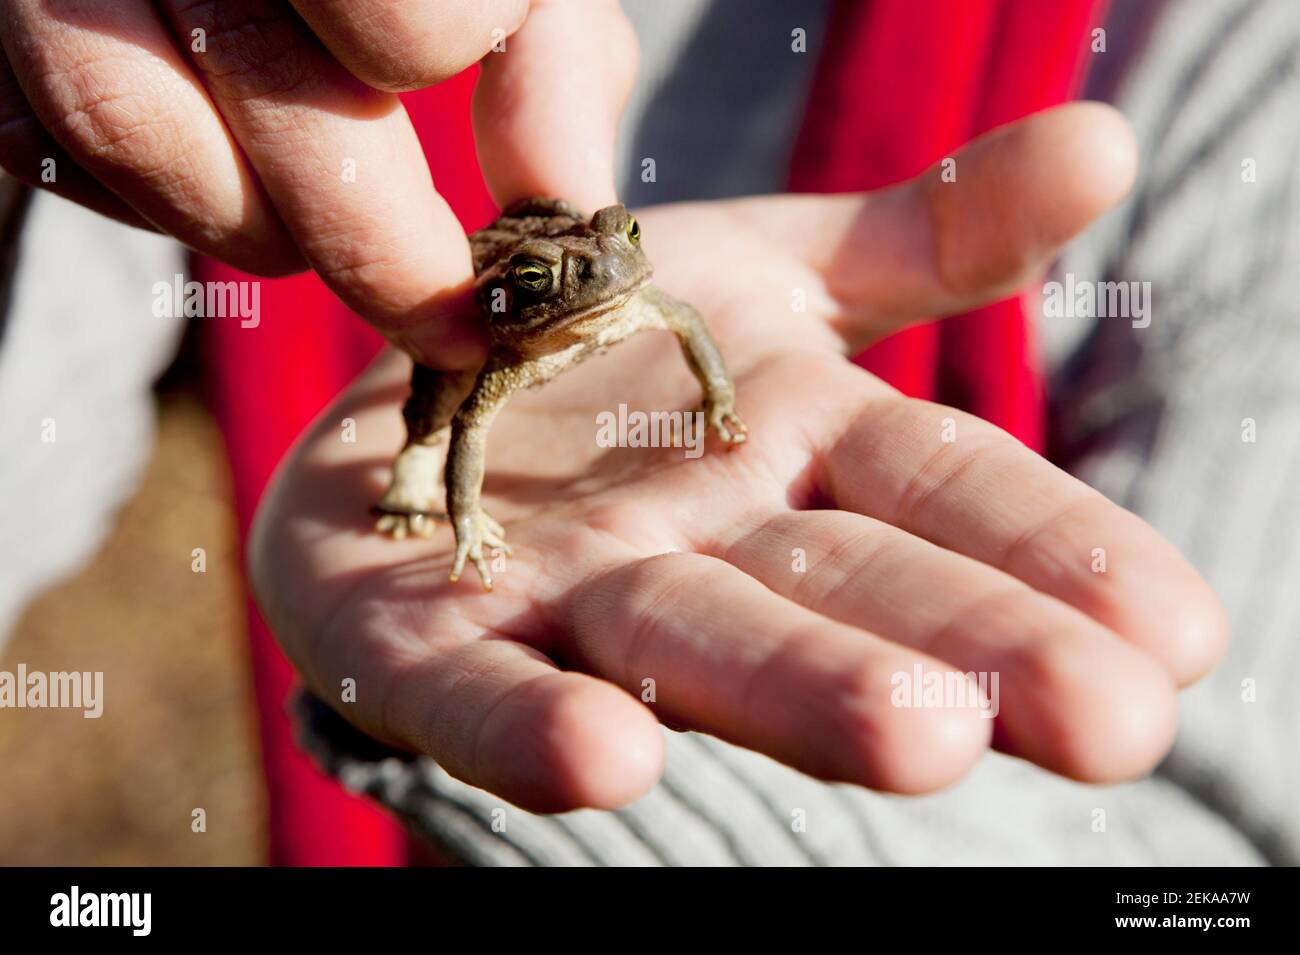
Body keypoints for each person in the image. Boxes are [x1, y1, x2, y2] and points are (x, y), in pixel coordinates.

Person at [0, 0, 1292, 865]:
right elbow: (463, 420)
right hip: (483, 345)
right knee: (443, 399)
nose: (621, 268)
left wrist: (717, 412)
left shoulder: (1234, 58)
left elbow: (1207, 843)